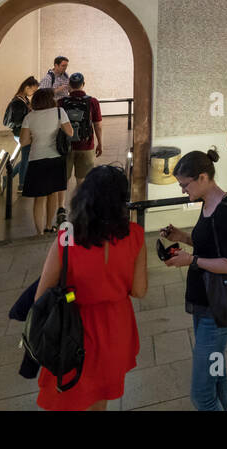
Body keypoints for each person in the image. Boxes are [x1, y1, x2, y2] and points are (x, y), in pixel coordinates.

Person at [34, 165, 146, 411]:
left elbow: (41, 296)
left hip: (74, 327)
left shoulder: (67, 238)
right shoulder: (135, 235)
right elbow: (139, 290)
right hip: (116, 328)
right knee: (100, 400)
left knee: (70, 397)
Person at [159, 148, 227, 411]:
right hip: (205, 302)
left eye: (185, 185)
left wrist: (191, 260)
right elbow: (208, 244)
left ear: (203, 177)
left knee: (201, 395)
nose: (183, 190)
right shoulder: (208, 203)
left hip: (216, 310)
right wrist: (182, 237)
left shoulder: (225, 212)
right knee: (216, 373)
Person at [19, 87, 75, 234]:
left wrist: (36, 137)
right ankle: (49, 226)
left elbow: (24, 142)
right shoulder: (59, 112)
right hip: (56, 158)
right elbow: (70, 132)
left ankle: (39, 232)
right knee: (53, 194)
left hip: (36, 159)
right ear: (50, 99)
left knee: (39, 198)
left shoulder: (29, 117)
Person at [60, 72, 103, 195]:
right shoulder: (93, 101)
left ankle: (61, 208)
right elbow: (98, 125)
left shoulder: (61, 102)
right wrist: (100, 143)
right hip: (86, 145)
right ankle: (80, 207)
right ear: (83, 84)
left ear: (69, 85)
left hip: (65, 146)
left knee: (63, 180)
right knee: (83, 180)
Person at [3, 76, 38, 193]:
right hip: (22, 134)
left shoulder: (24, 100)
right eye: (33, 90)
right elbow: (19, 121)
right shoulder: (18, 102)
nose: (33, 93)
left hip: (24, 133)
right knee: (25, 159)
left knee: (26, 158)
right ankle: (21, 185)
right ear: (27, 87)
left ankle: (7, 178)